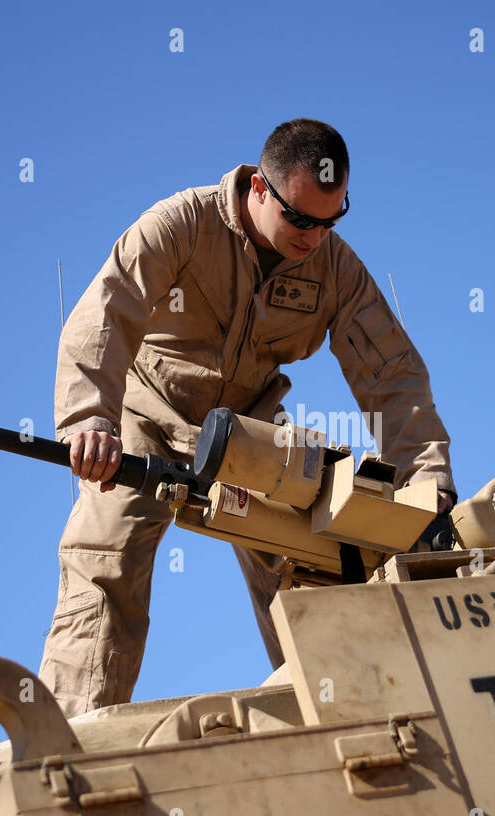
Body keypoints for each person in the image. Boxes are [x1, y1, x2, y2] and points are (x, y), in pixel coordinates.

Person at [40, 118, 456, 717]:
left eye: (332, 221)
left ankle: (350, 721)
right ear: (260, 188)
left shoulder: (336, 268)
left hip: (249, 431)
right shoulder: (182, 225)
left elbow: (391, 373)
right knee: (106, 561)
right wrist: (89, 422)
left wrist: (426, 480)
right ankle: (63, 754)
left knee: (315, 564)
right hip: (146, 415)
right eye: (302, 220)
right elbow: (105, 312)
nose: (315, 238)